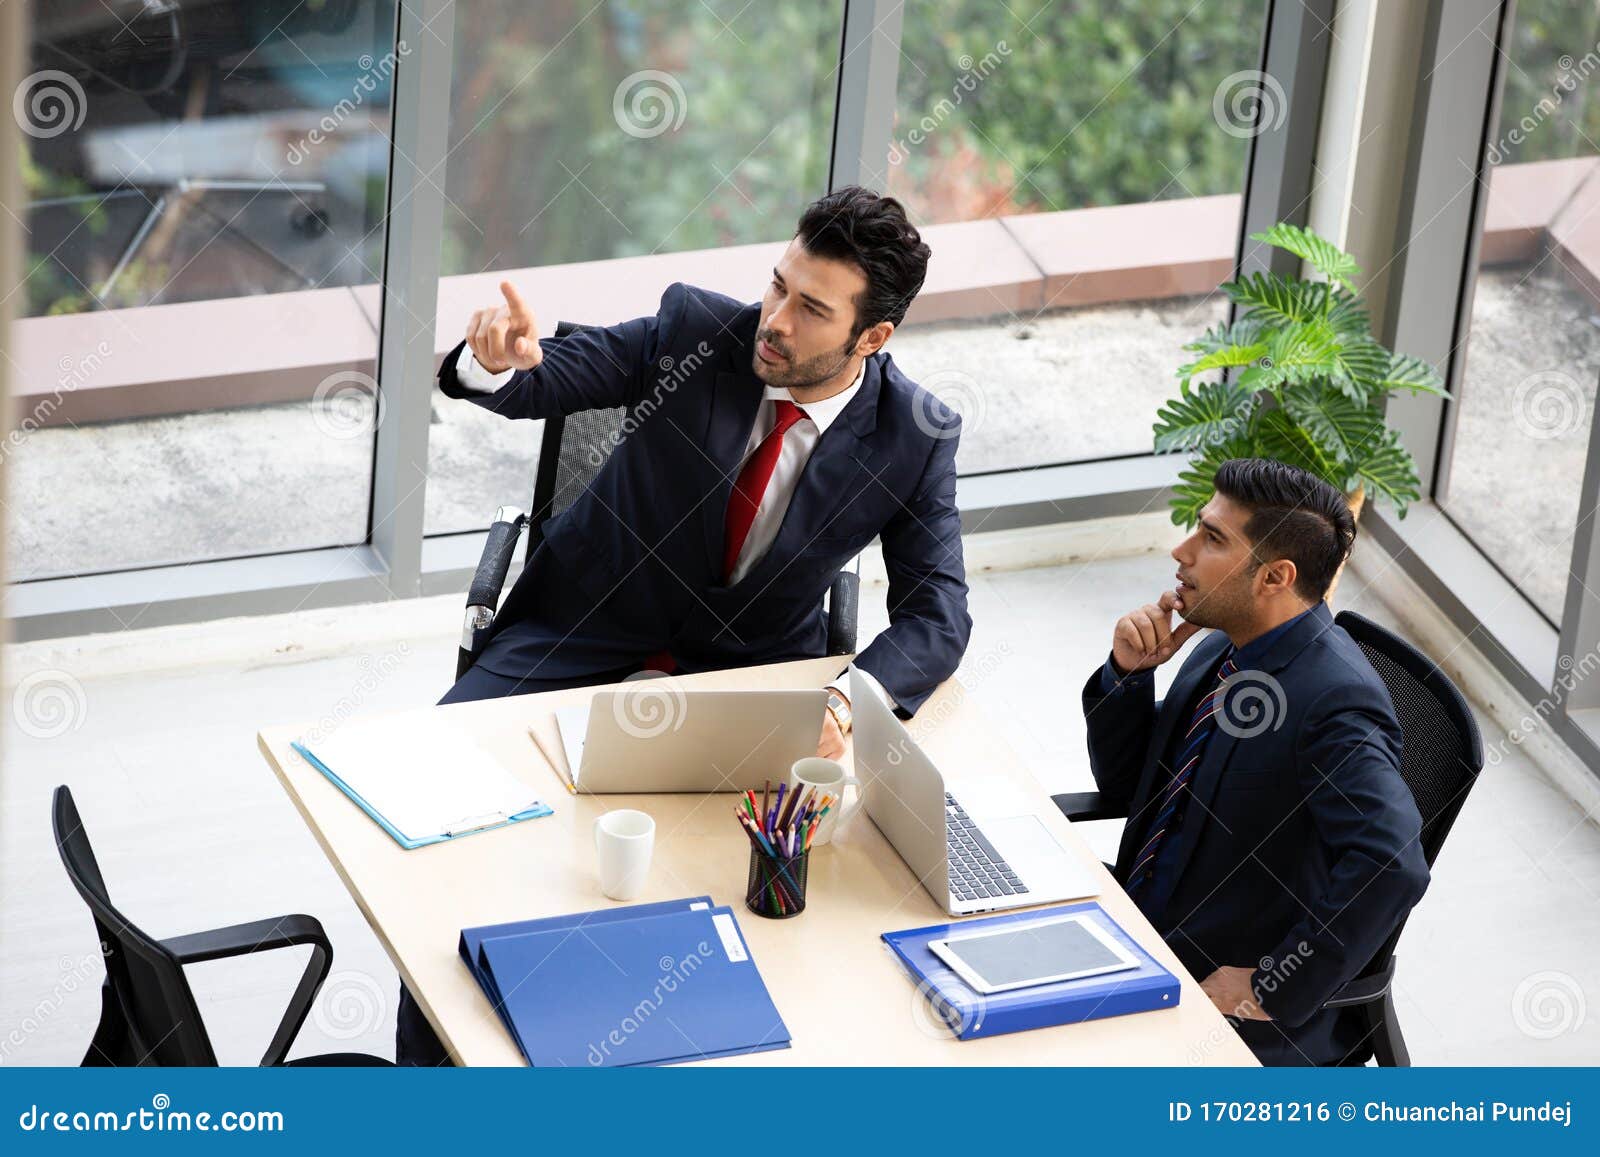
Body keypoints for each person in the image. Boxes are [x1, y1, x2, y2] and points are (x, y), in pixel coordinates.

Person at [397, 186, 971, 1064]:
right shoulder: (698, 330)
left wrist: (852, 698)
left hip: (742, 684)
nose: (773, 319)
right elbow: (556, 372)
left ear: (872, 338)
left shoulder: (915, 434)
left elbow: (938, 611)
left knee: (739, 894)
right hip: (576, 633)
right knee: (434, 818)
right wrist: (501, 363)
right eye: (777, 284)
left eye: (810, 308)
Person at [1083, 457, 1429, 1066]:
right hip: (1134, 933)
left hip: (1210, 1000)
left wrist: (1274, 982)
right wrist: (1128, 679)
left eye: (1212, 539)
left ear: (1274, 577)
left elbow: (1391, 862)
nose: (1181, 551)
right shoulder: (1219, 647)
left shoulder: (1335, 704)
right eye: (1198, 527)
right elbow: (1128, 787)